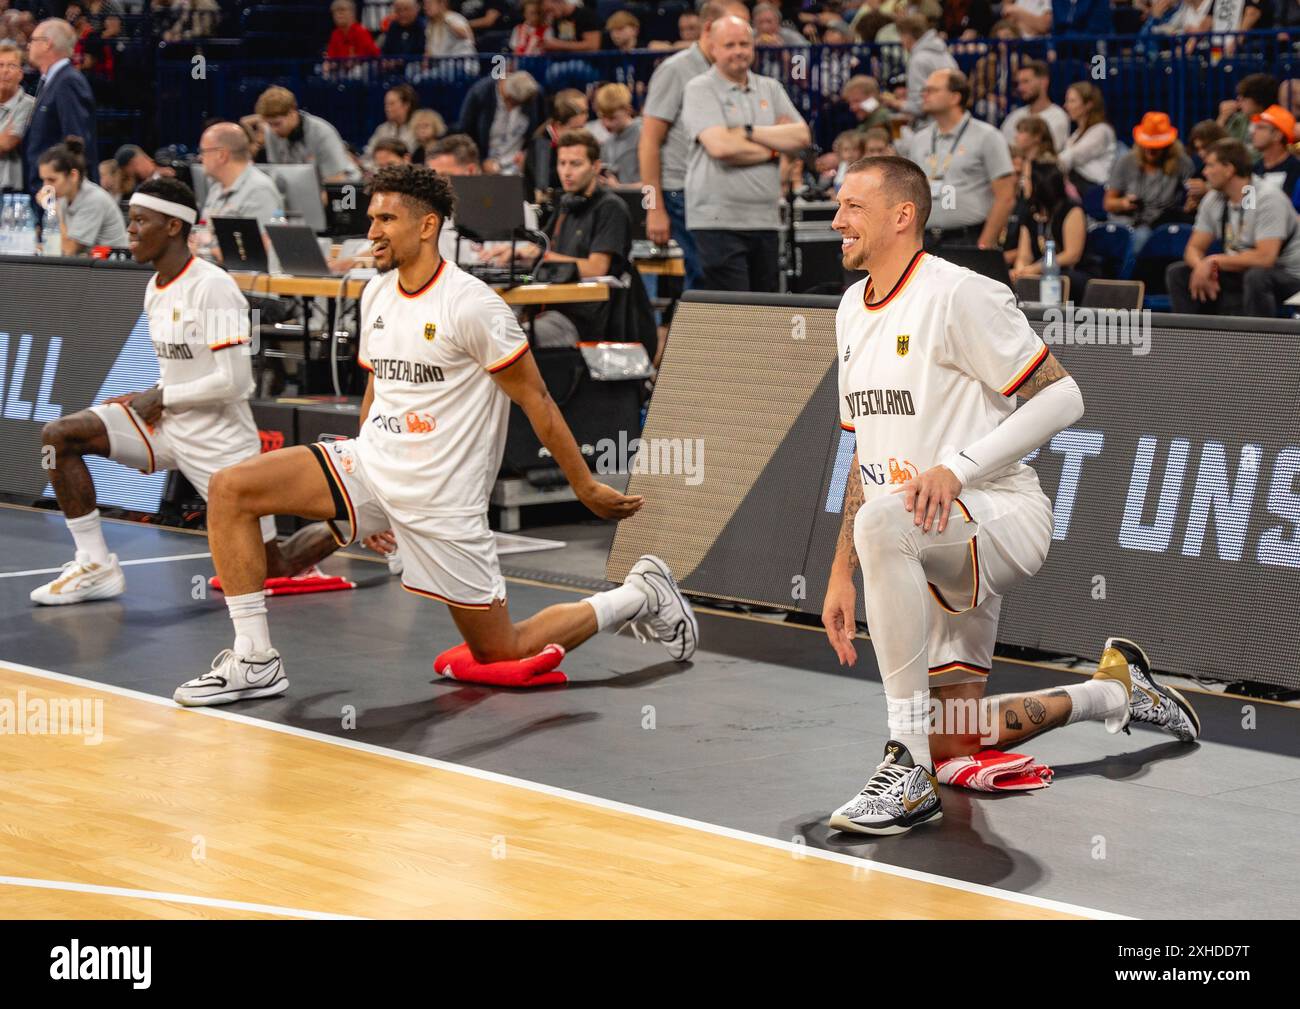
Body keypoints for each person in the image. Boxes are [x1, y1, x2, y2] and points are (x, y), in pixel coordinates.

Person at [171, 164, 696, 706]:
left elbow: (536, 399)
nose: (371, 231)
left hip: (443, 501)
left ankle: (638, 595)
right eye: (371, 217)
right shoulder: (376, 293)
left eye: (385, 219)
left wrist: (584, 486)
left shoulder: (472, 305)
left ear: (426, 226)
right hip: (372, 467)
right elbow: (378, 388)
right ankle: (256, 661)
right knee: (232, 488)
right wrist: (361, 484)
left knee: (502, 652)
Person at [823, 154, 1196, 835]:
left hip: (997, 514)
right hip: (923, 532)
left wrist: (957, 467)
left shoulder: (960, 293)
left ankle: (902, 765)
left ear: (902, 215)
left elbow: (1064, 395)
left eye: (852, 205)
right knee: (956, 741)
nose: (836, 218)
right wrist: (840, 571)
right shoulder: (851, 308)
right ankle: (1113, 690)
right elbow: (863, 453)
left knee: (888, 521)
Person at [30, 179, 346, 606]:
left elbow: (236, 383)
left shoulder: (211, 287)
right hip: (166, 426)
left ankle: (355, 521)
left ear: (174, 226)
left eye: (141, 221)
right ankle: (95, 564)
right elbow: (178, 372)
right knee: (59, 436)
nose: (131, 231)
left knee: (273, 565)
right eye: (131, 221)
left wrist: (162, 397)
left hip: (219, 441)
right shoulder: (155, 287)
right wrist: (151, 393)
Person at [681, 14, 810, 292]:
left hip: (765, 219)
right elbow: (721, 147)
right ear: (712, 48)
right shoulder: (699, 88)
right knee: (735, 317)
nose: (738, 51)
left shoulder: (770, 88)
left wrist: (748, 130)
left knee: (765, 313)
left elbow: (801, 137)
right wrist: (776, 149)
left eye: (744, 44)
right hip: (717, 222)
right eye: (729, 45)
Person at [639, 0, 751, 289]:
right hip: (682, 193)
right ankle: (697, 335)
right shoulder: (675, 70)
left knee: (728, 278)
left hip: (724, 192)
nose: (743, 38)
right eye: (734, 27)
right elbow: (649, 141)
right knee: (704, 277)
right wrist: (653, 208)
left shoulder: (736, 71)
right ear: (709, 29)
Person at [1166, 138, 1300, 318]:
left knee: (1257, 277)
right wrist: (1200, 267)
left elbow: (1265, 258)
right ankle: (1190, 341)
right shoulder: (1214, 198)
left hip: (1288, 277)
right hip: (1242, 269)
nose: (1204, 172)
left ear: (1229, 169)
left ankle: (1259, 342)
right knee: (1179, 273)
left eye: (1210, 166)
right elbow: (1194, 248)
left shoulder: (1267, 198)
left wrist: (1212, 262)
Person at [899, 69, 1015, 253]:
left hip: (968, 239)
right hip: (925, 240)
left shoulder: (988, 136)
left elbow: (1006, 196)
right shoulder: (919, 139)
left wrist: (984, 245)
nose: (924, 94)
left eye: (933, 90)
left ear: (955, 97)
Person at [23, 18, 96, 191]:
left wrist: (68, 197)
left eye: (32, 40)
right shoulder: (51, 80)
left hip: (60, 194)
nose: (28, 46)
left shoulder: (68, 81)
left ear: (47, 44)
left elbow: (75, 141)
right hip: (46, 189)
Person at [1104, 111, 1194, 252]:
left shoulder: (1182, 163)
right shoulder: (1126, 162)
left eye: (1156, 146)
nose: (1151, 150)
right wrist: (1123, 203)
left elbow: (1192, 198)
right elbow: (1108, 203)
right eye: (1147, 145)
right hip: (1128, 222)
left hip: (1161, 223)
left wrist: (1192, 201)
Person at [1010, 159, 1089, 299]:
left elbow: (1072, 255)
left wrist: (1035, 269)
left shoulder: (1071, 210)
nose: (1023, 183)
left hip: (1069, 273)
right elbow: (1024, 255)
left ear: (1039, 182)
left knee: (1060, 279)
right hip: (1039, 273)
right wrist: (1020, 270)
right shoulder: (1030, 211)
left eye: (1027, 178)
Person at [254, 85, 362, 184]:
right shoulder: (270, 133)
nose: (273, 130)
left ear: (292, 113)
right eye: (269, 124)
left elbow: (336, 179)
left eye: (277, 124)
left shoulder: (322, 132)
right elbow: (278, 173)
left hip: (347, 189)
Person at [36, 136, 127, 253]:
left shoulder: (93, 199)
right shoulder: (64, 197)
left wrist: (53, 210)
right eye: (43, 180)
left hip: (112, 268)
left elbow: (69, 250)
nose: (45, 187)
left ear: (73, 175)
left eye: (52, 180)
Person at [456, 70, 544, 175]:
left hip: (518, 168)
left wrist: (528, 155)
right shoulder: (480, 93)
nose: (514, 107)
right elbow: (465, 134)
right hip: (485, 168)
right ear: (507, 97)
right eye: (514, 102)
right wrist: (481, 161)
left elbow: (541, 130)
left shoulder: (534, 94)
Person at [878, 13, 956, 127]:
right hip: (951, 121)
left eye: (901, 36)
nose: (901, 41)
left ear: (908, 36)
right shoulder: (944, 53)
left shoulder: (918, 60)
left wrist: (895, 103)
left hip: (930, 128)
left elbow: (919, 106)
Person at [1057, 81, 1116, 200]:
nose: (1066, 106)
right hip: (1079, 187)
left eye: (1072, 101)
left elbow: (1072, 156)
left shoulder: (1102, 130)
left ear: (1088, 104)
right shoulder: (1075, 134)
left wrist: (1047, 163)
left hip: (1096, 191)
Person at [999, 60, 1069, 153]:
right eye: (1018, 83)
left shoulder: (1058, 117)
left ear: (1044, 82)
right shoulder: (1014, 116)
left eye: (1026, 82)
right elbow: (1002, 148)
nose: (1020, 88)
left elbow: (1048, 153)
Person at [1250, 104, 1300, 208]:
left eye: (1261, 128)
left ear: (1277, 135)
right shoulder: (1254, 170)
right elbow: (1248, 207)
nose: (1253, 132)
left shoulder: (1296, 170)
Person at [0, 38, 32, 192]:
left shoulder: (30, 105)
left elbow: (6, 144)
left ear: (20, 74)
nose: (5, 71)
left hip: (11, 192)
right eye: (0, 65)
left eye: (11, 65)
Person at [594, 83, 640, 183]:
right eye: (602, 117)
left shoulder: (643, 135)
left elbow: (652, 183)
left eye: (612, 118)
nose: (606, 123)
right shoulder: (608, 143)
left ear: (628, 110)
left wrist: (619, 188)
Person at [1183, 118, 1227, 215]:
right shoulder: (1199, 172)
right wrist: (1189, 208)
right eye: (1198, 149)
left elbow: (1243, 198)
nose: (1201, 153)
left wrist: (1208, 191)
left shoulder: (1234, 167)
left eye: (1205, 147)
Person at [365, 84, 419, 161]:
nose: (387, 108)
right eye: (386, 104)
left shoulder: (418, 128)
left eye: (392, 104)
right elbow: (368, 155)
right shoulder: (382, 129)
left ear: (406, 105)